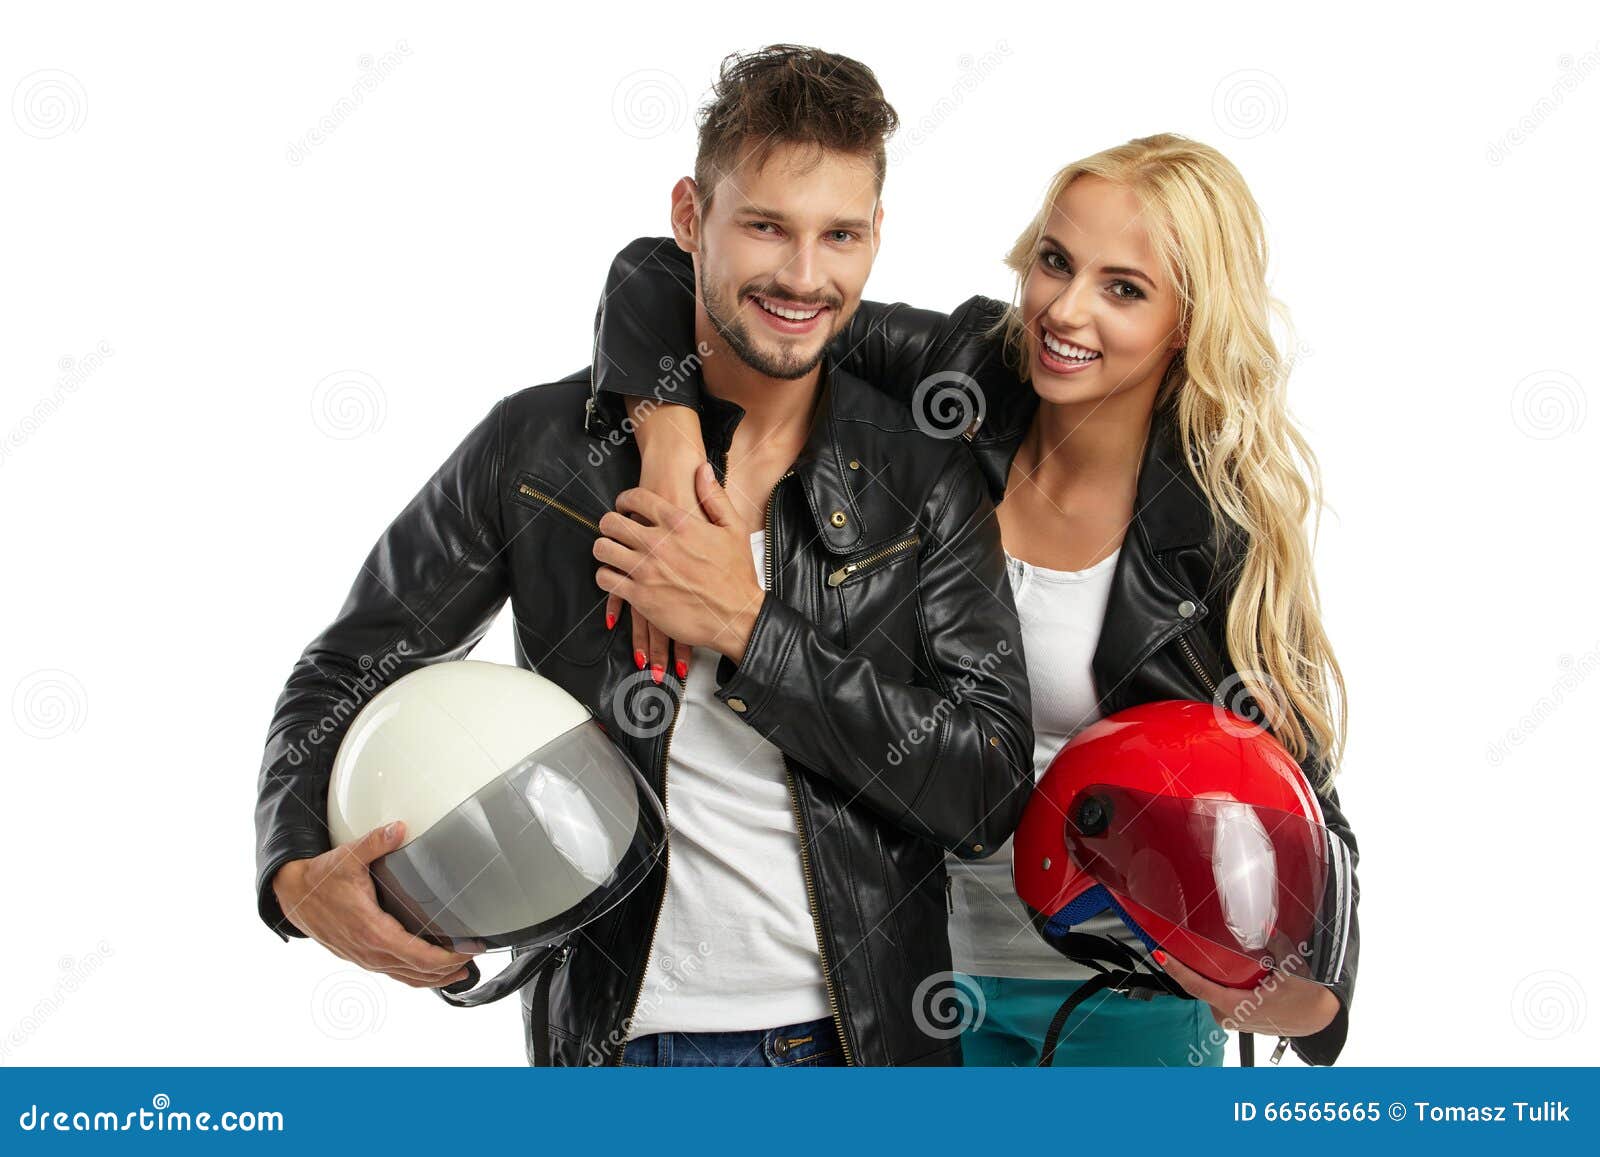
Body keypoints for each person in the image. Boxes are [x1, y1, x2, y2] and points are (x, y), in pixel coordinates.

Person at [254, 44, 1035, 1067]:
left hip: (863, 1049)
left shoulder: (921, 475)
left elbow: (985, 787)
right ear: (689, 217)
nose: (805, 276)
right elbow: (349, 666)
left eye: (839, 234)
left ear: (876, 235)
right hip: (617, 1045)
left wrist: (748, 628)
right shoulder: (538, 449)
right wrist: (293, 869)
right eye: (766, 226)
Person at [587, 132, 1361, 1066]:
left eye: (1123, 289)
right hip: (902, 981)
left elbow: (1309, 816)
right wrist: (667, 437)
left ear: (1187, 322)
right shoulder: (962, 373)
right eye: (1055, 262)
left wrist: (1288, 996)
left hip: (1119, 1004)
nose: (1065, 310)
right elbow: (670, 274)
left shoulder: (1213, 534)